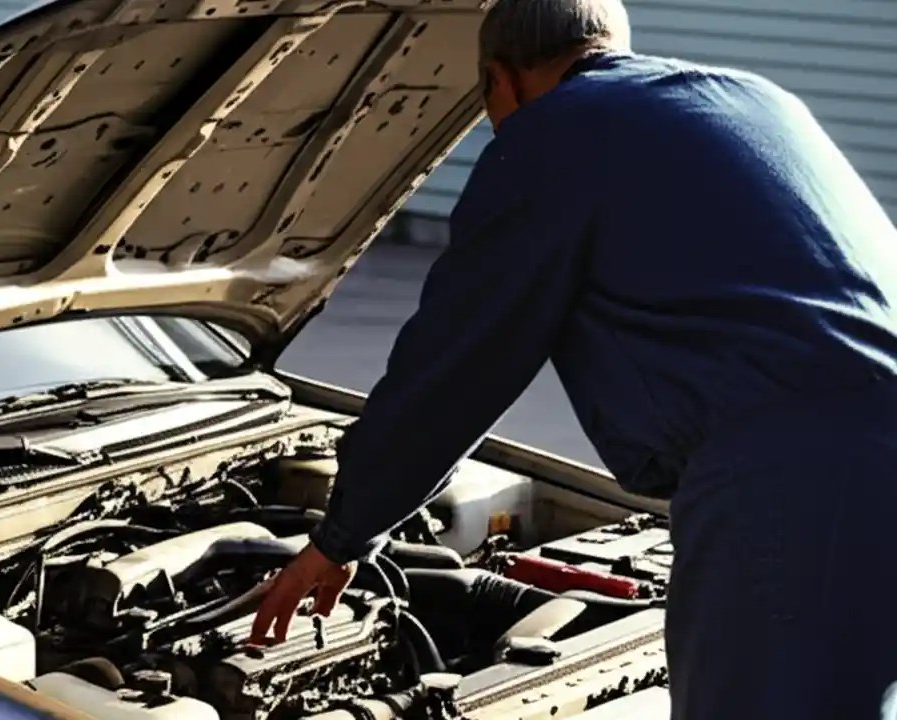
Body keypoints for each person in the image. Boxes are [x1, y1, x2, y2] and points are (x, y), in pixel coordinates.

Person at [248, 0, 897, 717]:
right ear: (613, 46)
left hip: (799, 481)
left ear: (499, 81)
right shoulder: (747, 97)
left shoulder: (550, 136)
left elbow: (457, 366)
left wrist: (342, 535)